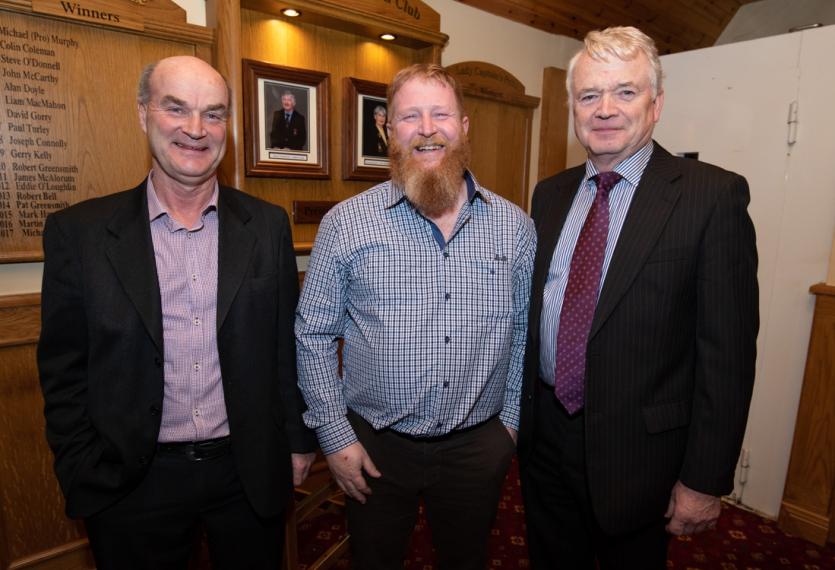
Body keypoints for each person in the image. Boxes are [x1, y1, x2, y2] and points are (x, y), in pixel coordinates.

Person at [37, 56, 317, 569]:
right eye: (176, 109)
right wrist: (80, 466)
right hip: (131, 483)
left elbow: (284, 347)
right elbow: (63, 370)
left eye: (213, 114)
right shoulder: (79, 233)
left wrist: (297, 444)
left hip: (246, 472)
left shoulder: (267, 226)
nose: (196, 129)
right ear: (143, 113)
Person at [518, 26, 758, 569]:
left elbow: (728, 357)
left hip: (641, 458)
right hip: (547, 442)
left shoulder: (711, 197)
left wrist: (703, 480)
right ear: (573, 107)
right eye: (588, 95)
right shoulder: (550, 194)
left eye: (625, 92)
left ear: (656, 104)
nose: (605, 109)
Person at [296, 63, 535, 570]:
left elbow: (523, 334)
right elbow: (313, 333)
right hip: (376, 447)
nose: (427, 128)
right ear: (388, 130)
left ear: (464, 127)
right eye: (410, 116)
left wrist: (509, 427)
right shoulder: (346, 224)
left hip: (477, 447)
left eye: (440, 114)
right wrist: (335, 439)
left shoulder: (516, 227)